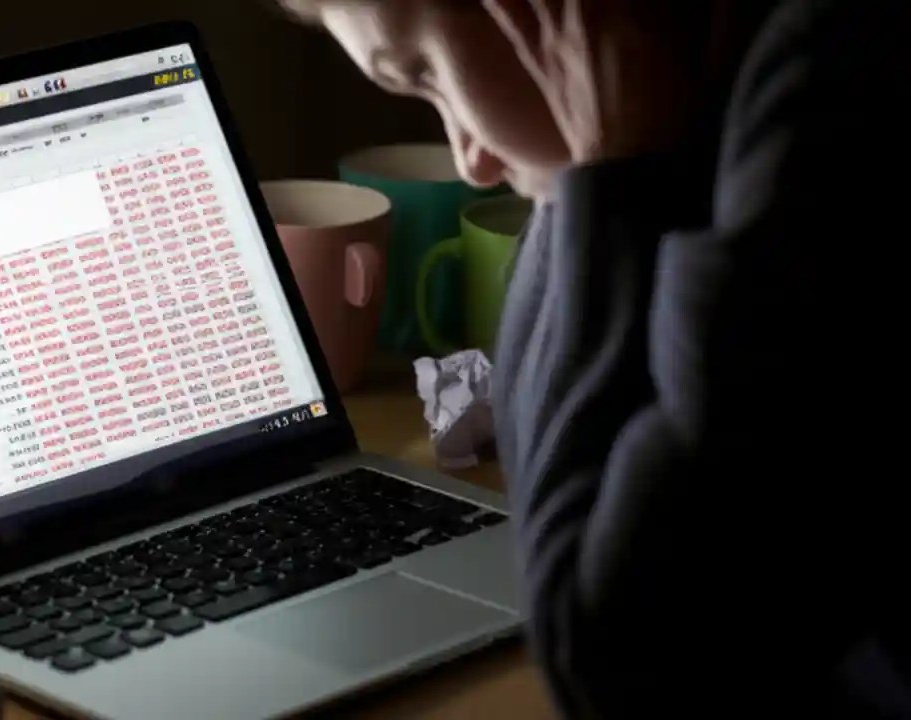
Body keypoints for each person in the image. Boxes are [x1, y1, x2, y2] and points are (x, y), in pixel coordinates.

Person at [279, 1, 910, 717]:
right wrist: (588, 172)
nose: (471, 160)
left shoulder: (827, 90)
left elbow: (610, 664)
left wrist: (607, 180)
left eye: (425, 73)